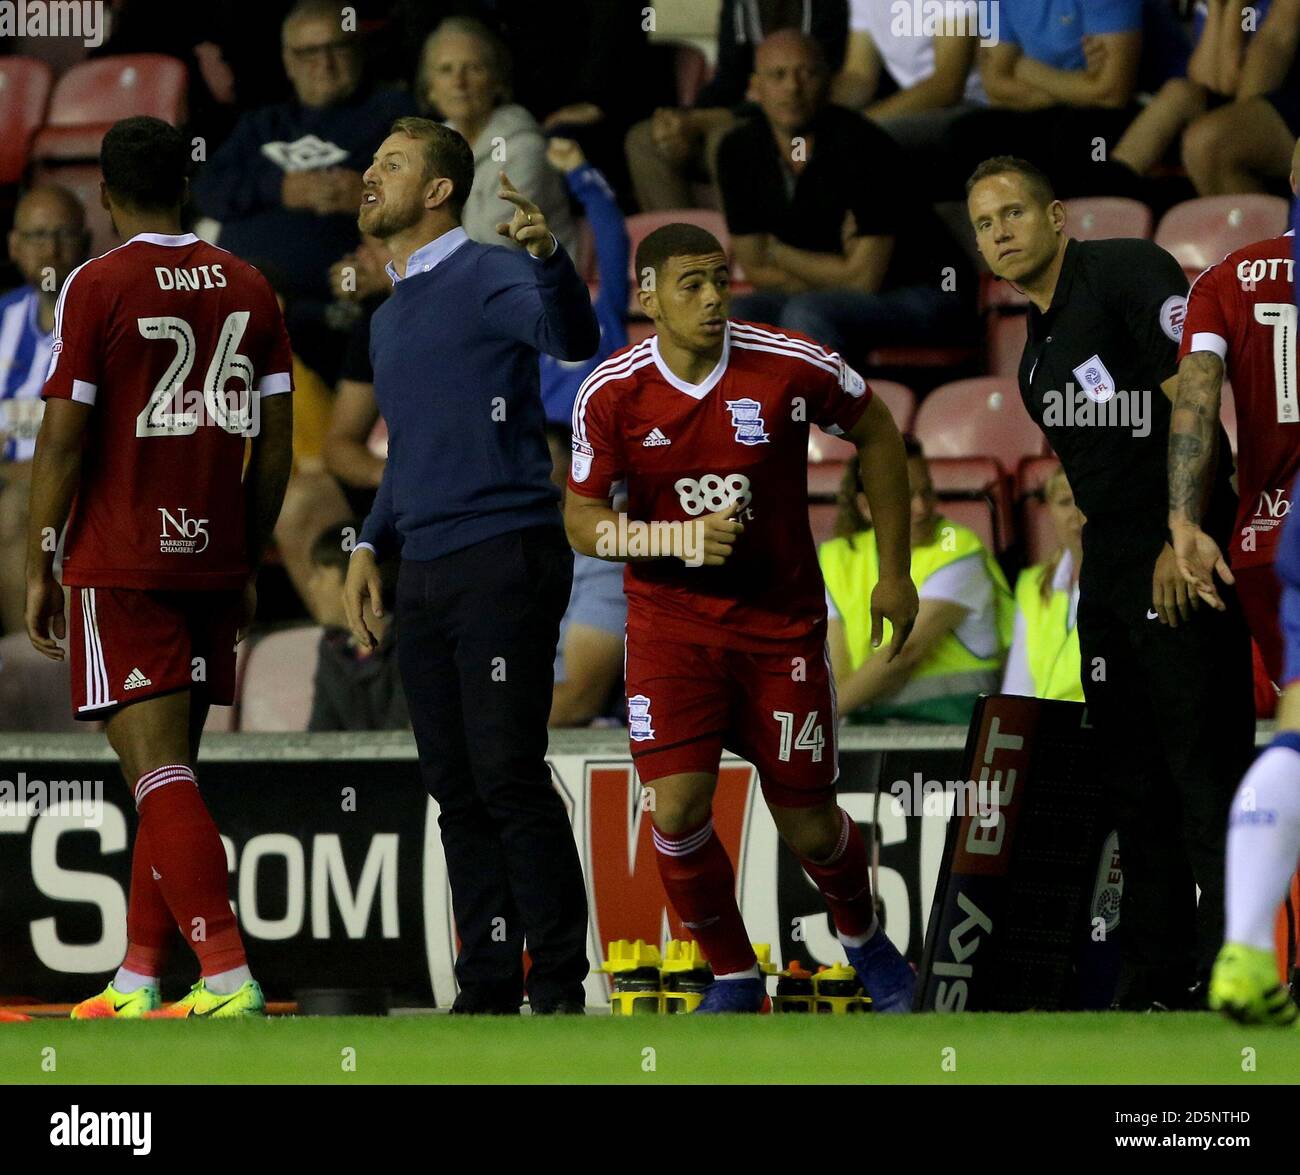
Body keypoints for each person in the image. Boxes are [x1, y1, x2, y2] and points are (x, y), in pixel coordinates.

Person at [565, 222, 919, 1013]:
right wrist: (673, 538)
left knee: (811, 826)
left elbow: (877, 429)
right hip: (669, 626)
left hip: (780, 628)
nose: (714, 297)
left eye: (721, 279)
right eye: (691, 283)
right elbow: (582, 518)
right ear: (647, 296)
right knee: (678, 806)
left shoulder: (789, 365)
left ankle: (863, 938)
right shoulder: (613, 391)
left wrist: (892, 570)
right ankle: (731, 972)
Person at [966, 154, 1256, 1010]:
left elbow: (1195, 400)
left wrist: (1188, 529)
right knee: (1133, 780)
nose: (1000, 233)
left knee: (1206, 772)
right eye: (984, 225)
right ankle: (1154, 978)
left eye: (1013, 213)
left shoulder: (1128, 269)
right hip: (1114, 571)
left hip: (1184, 543)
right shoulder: (1033, 354)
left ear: (1057, 214)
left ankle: (1238, 970)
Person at [25, 116, 295, 1018]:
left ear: (102, 193)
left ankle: (226, 975)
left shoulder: (96, 285)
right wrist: (249, 557)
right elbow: (280, 447)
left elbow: (62, 441)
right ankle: (141, 975)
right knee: (171, 766)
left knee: (154, 773)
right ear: (187, 185)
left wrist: (40, 554)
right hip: (213, 555)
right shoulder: (251, 285)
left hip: (124, 555)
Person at [342, 116, 597, 1014]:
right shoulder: (388, 317)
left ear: (441, 189)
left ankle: (559, 984)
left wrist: (550, 258)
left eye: (392, 163)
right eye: (372, 161)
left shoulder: (491, 268)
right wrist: (373, 540)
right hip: (428, 565)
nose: (370, 175)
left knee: (505, 770)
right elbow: (407, 451)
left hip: (505, 550)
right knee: (455, 786)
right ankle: (487, 983)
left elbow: (573, 340)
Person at [717, 31, 974, 365]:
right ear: (755, 87)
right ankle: (750, 417)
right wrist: (834, 270)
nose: (793, 87)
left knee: (808, 312)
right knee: (735, 316)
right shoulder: (738, 151)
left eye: (806, 73)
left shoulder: (864, 145)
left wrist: (778, 251)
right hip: (823, 294)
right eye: (778, 75)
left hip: (928, 292)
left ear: (829, 82)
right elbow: (756, 269)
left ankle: (826, 417)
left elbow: (862, 281)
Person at [192, 0, 415, 375]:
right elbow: (207, 189)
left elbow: (427, 193)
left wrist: (364, 196)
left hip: (328, 310)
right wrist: (280, 188)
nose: (324, 63)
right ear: (288, 61)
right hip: (230, 301)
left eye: (337, 48)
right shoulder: (263, 124)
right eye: (308, 52)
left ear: (359, 50)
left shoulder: (393, 114)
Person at [1167, 135, 1300, 692]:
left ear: (1293, 182)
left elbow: (1195, 397)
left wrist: (1183, 522)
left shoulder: (1226, 277)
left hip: (1266, 540)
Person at [821, 441, 1013, 724]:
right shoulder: (838, 557)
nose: (922, 507)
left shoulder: (957, 547)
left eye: (927, 491)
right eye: (905, 496)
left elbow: (905, 653)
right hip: (868, 728)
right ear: (866, 506)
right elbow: (836, 665)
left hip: (953, 729)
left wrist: (821, 720)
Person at [624, 0, 849, 212]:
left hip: (802, 122)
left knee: (726, 141)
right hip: (743, 112)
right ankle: (685, 249)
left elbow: (812, 91)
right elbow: (727, 79)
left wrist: (710, 119)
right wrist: (683, 121)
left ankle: (749, 249)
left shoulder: (828, 5)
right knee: (645, 140)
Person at [0, 186, 88, 637]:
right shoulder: (1, 319)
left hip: (78, 486)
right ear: (14, 246)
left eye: (63, 234)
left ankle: (29, 677)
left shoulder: (106, 317)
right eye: (37, 236)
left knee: (19, 513)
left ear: (87, 241)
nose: (51, 249)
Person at [419, 16, 578, 258]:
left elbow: (494, 246)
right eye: (445, 69)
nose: (458, 82)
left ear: (496, 83)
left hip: (534, 287)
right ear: (430, 88)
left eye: (473, 68)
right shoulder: (433, 145)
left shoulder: (524, 149)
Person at [952, 0, 1145, 199]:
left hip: (1120, 110)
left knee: (1073, 135)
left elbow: (1111, 93)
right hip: (1042, 107)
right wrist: (1079, 89)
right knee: (966, 135)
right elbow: (996, 87)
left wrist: (1022, 67)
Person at [539, 136, 628, 425]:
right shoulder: (527, 341)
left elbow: (613, 243)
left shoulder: (604, 322)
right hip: (539, 462)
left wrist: (581, 175)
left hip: (594, 453)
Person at [833, 0, 987, 160]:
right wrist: (813, 107)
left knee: (856, 147)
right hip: (916, 106)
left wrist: (856, 128)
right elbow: (859, 76)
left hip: (972, 107)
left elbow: (946, 86)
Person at [544, 423, 625, 728]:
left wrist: (476, 722)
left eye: (543, 460)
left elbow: (581, 698)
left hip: (556, 743)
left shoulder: (604, 558)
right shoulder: (493, 555)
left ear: (573, 474)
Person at [1181, 0, 1300, 195]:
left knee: (1209, 143)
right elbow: (1206, 78)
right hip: (1264, 95)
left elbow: (1276, 40)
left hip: (1286, 90)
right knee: (1181, 98)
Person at [306, 519, 409, 732]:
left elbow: (400, 740)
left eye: (320, 574)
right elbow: (319, 738)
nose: (311, 586)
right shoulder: (332, 647)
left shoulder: (412, 643)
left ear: (357, 581)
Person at [1002, 465, 1086, 703]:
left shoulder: (1129, 585)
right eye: (1064, 502)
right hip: (1042, 731)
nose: (1077, 514)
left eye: (1084, 499)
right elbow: (1018, 690)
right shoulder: (1032, 585)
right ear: (1049, 510)